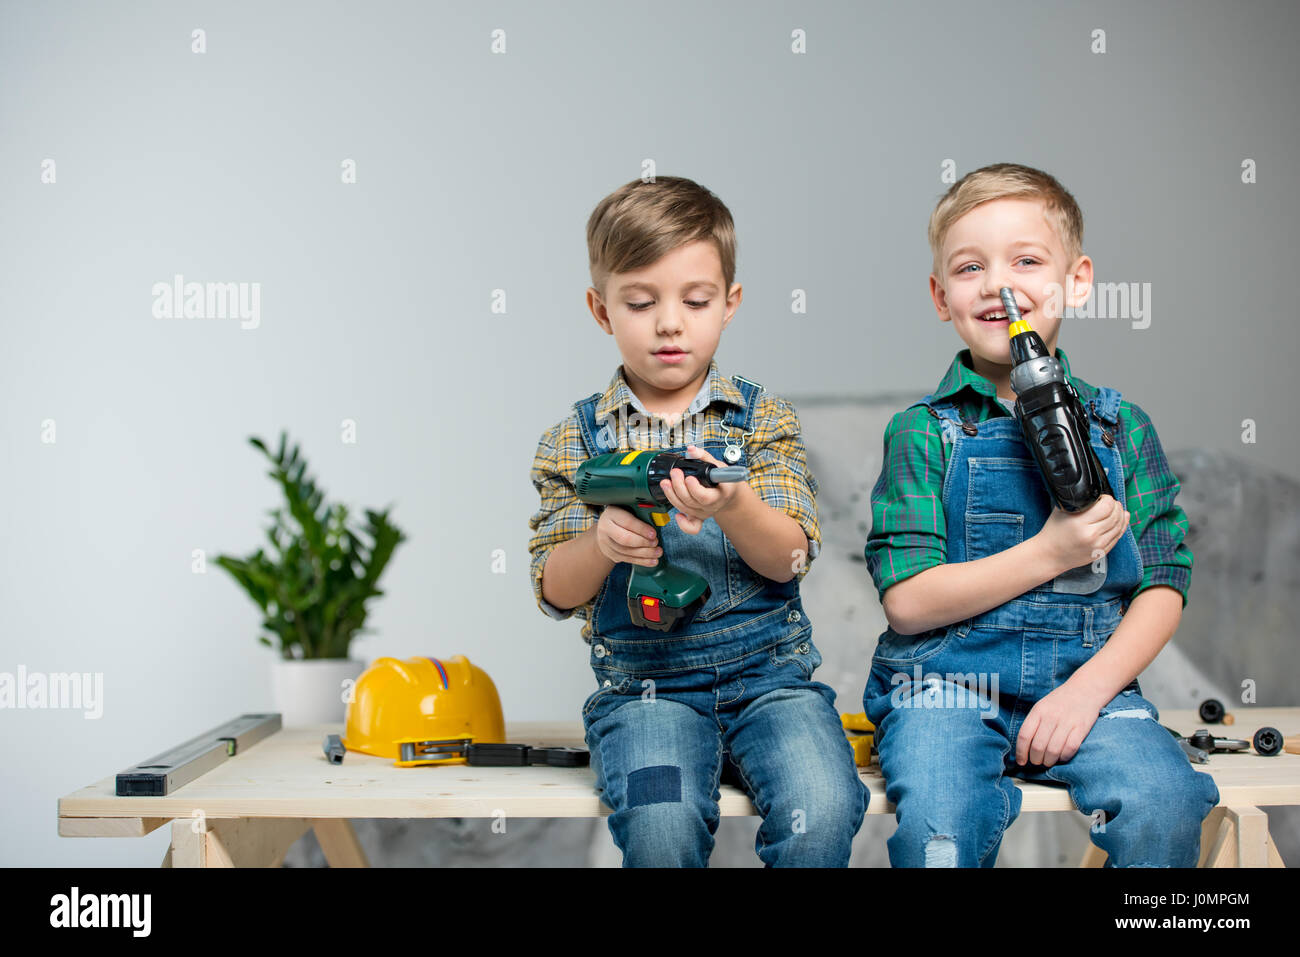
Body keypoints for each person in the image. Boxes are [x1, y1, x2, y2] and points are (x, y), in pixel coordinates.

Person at [863, 162, 1219, 867]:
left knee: (1164, 799)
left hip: (1090, 677)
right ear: (940, 295)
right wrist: (1053, 551)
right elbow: (907, 603)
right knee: (940, 826)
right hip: (947, 684)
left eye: (1027, 260)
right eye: (970, 268)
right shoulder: (921, 431)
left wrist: (1088, 691)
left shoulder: (1121, 426)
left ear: (1077, 281)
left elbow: (1163, 581)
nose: (1001, 287)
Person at [528, 175, 866, 866]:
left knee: (824, 806)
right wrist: (601, 542)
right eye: (641, 301)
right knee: (660, 821)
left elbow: (790, 558)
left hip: (773, 684)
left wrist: (735, 505)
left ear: (730, 303)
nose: (670, 322)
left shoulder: (762, 419)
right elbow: (554, 590)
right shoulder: (573, 439)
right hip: (647, 694)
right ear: (601, 309)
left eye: (695, 299)